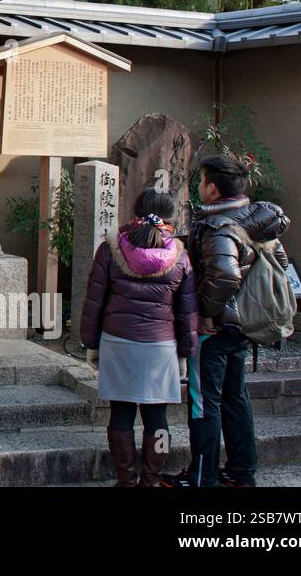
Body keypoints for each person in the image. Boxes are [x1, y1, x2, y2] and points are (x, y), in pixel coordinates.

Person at [162, 154, 289, 488]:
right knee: (236, 397)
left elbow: (225, 274)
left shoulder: (218, 225)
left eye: (201, 181)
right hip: (245, 324)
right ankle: (241, 473)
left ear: (213, 187)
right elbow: (280, 261)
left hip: (215, 329)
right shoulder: (258, 219)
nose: (199, 187)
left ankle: (202, 478)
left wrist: (206, 313)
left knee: (205, 401)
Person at [81, 189, 197, 486]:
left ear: (135, 211)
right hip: (160, 346)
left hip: (118, 342)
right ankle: (152, 479)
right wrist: (186, 351)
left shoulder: (110, 248)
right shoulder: (180, 255)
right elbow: (186, 312)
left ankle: (125, 480)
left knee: (121, 413)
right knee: (157, 418)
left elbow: (94, 301)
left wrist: (91, 343)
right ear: (170, 217)